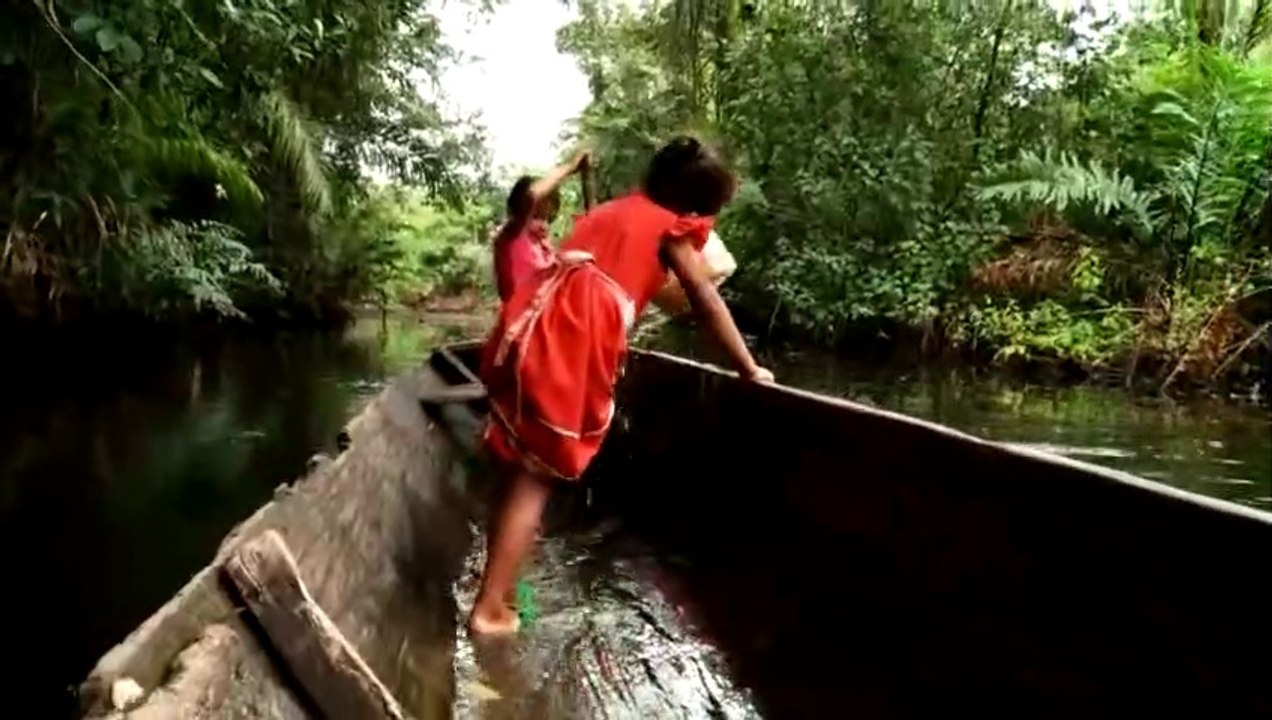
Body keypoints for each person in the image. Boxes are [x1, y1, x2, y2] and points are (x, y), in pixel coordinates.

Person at [469, 135, 774, 636]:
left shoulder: (611, 211)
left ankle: (499, 584)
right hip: (571, 337)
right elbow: (703, 297)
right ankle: (489, 610)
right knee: (537, 474)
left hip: (529, 324)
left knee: (519, 461)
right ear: (695, 205)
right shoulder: (671, 228)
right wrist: (748, 368)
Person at [492, 152, 594, 304]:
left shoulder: (544, 246)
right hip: (521, 316)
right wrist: (571, 167)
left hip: (544, 314)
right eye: (537, 217)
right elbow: (532, 196)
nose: (544, 225)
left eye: (547, 219)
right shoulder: (514, 233)